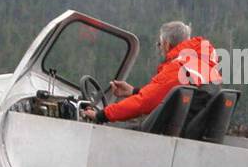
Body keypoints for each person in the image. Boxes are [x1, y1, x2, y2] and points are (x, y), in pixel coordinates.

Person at [82, 20, 221, 124]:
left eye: (160, 44)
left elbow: (144, 103)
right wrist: (134, 91)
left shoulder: (179, 67)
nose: (160, 48)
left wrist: (101, 115)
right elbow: (164, 95)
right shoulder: (202, 63)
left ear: (166, 44)